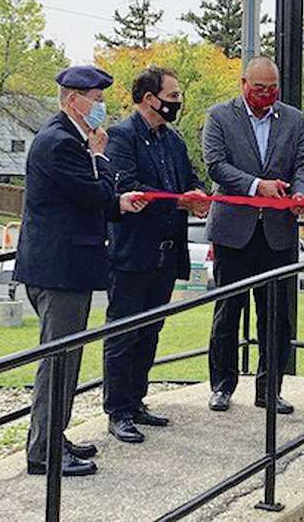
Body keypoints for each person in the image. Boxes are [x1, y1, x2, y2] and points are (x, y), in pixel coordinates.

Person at [14, 66, 146, 477]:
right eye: (96, 98)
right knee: (59, 361)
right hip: (60, 269)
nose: (101, 106)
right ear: (73, 100)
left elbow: (95, 200)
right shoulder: (61, 143)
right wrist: (103, 159)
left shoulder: (71, 138)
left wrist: (115, 199)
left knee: (67, 358)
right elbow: (94, 194)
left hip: (66, 266)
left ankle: (54, 435)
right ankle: (44, 451)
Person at [103, 66, 208, 443]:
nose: (178, 102)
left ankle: (137, 401)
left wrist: (197, 196)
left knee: (151, 331)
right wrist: (179, 202)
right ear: (151, 99)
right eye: (174, 96)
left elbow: (190, 177)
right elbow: (129, 187)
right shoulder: (121, 136)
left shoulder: (173, 140)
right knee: (124, 332)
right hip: (133, 254)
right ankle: (117, 410)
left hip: (166, 254)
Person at [203, 56, 304, 414]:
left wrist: (299, 192)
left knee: (276, 316)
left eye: (272, 89)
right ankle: (222, 386)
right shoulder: (220, 116)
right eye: (258, 88)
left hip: (278, 234)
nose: (266, 95)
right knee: (228, 312)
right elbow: (216, 164)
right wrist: (256, 186)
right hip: (234, 232)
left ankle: (270, 389)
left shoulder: (294, 119)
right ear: (243, 83)